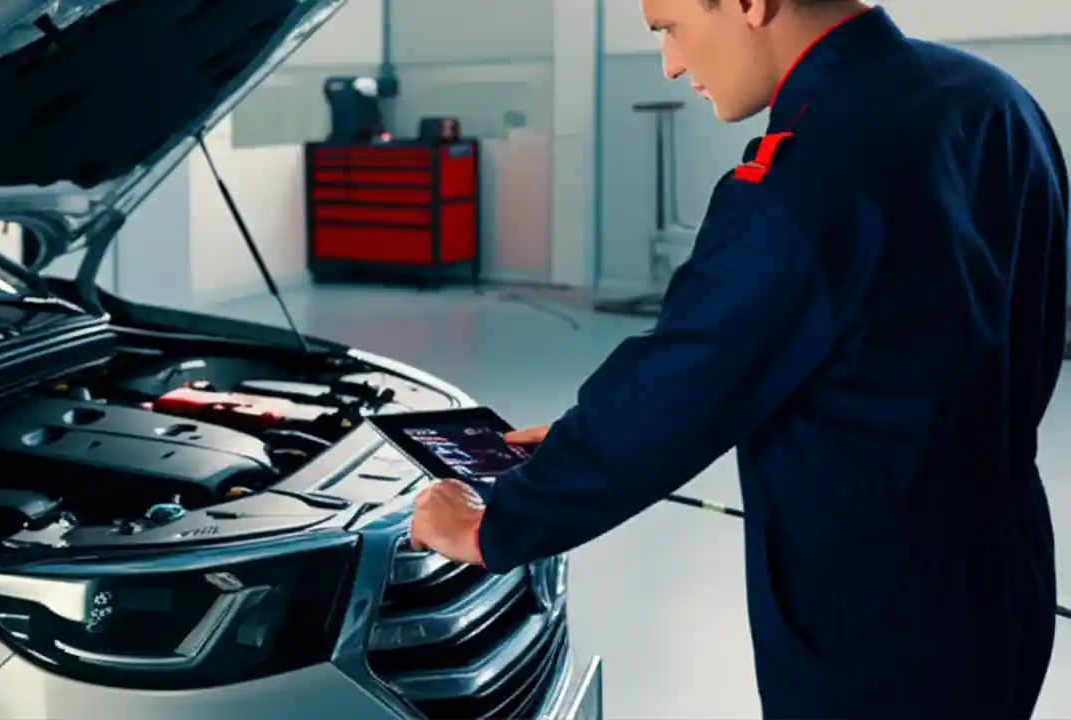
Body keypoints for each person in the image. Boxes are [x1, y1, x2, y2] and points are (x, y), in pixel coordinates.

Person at [408, 0, 1067, 717]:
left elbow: (684, 383)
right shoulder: (994, 100)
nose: (672, 63)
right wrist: (576, 443)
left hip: (875, 617)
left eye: (669, 27)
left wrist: (493, 526)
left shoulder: (801, 180)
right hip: (1009, 570)